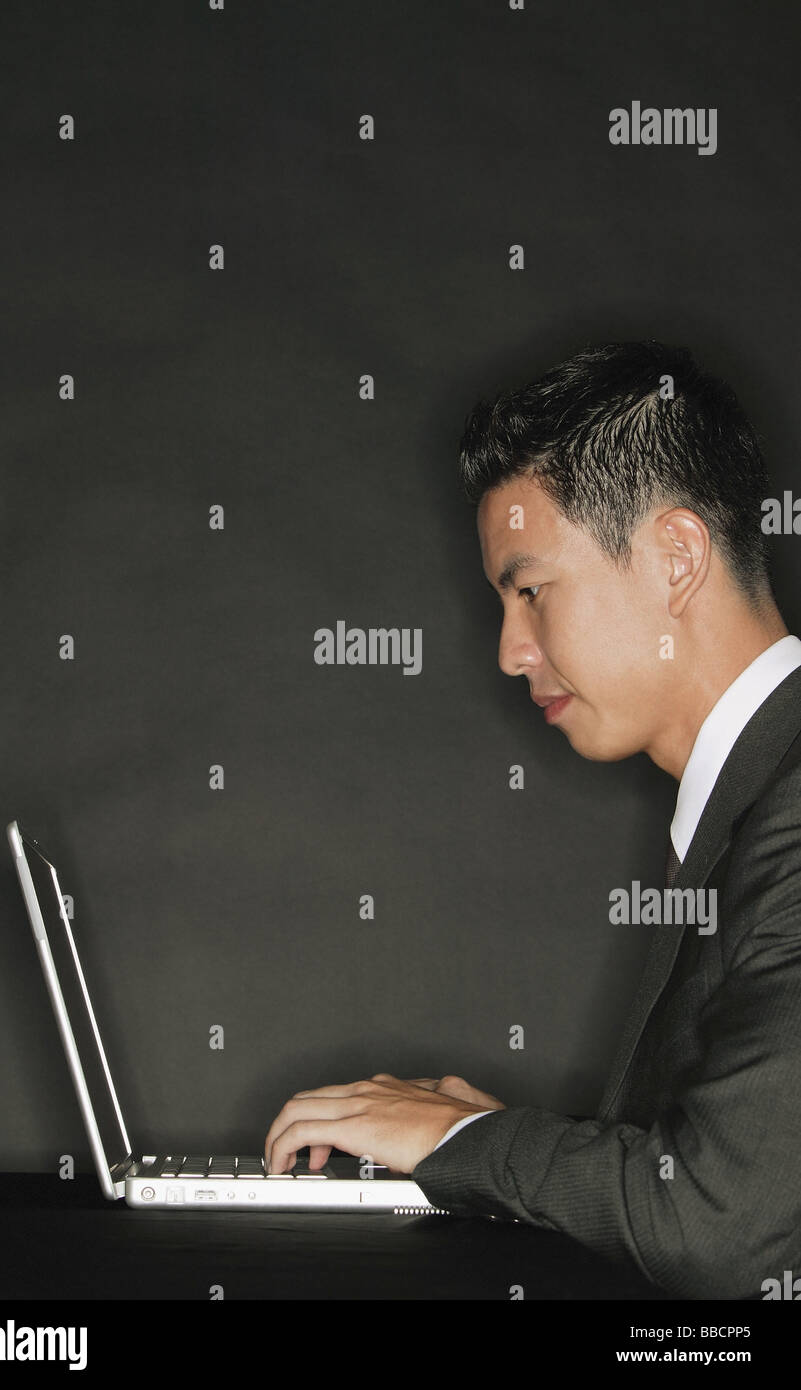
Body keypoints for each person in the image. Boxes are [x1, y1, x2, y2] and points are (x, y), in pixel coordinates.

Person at [264, 340, 801, 1299]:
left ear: (675, 558)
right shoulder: (752, 801)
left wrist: (458, 1139)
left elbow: (719, 1230)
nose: (512, 652)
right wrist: (496, 1148)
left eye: (530, 589)